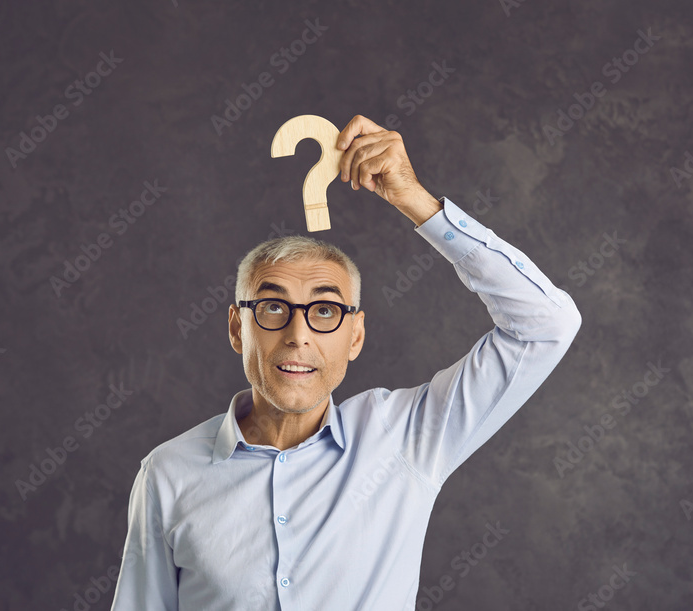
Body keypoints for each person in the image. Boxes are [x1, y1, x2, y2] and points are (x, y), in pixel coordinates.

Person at [109, 115, 582, 610]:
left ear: (355, 335)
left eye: (325, 311)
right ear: (236, 328)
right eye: (272, 307)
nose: (298, 337)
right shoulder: (168, 473)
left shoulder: (405, 438)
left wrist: (415, 201)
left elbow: (546, 324)